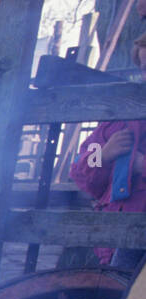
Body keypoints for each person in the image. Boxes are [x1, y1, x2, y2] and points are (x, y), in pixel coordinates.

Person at [70, 33, 146, 273]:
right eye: (145, 68)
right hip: (121, 229)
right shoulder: (119, 119)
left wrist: (142, 165)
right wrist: (103, 155)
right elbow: (81, 169)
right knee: (118, 296)